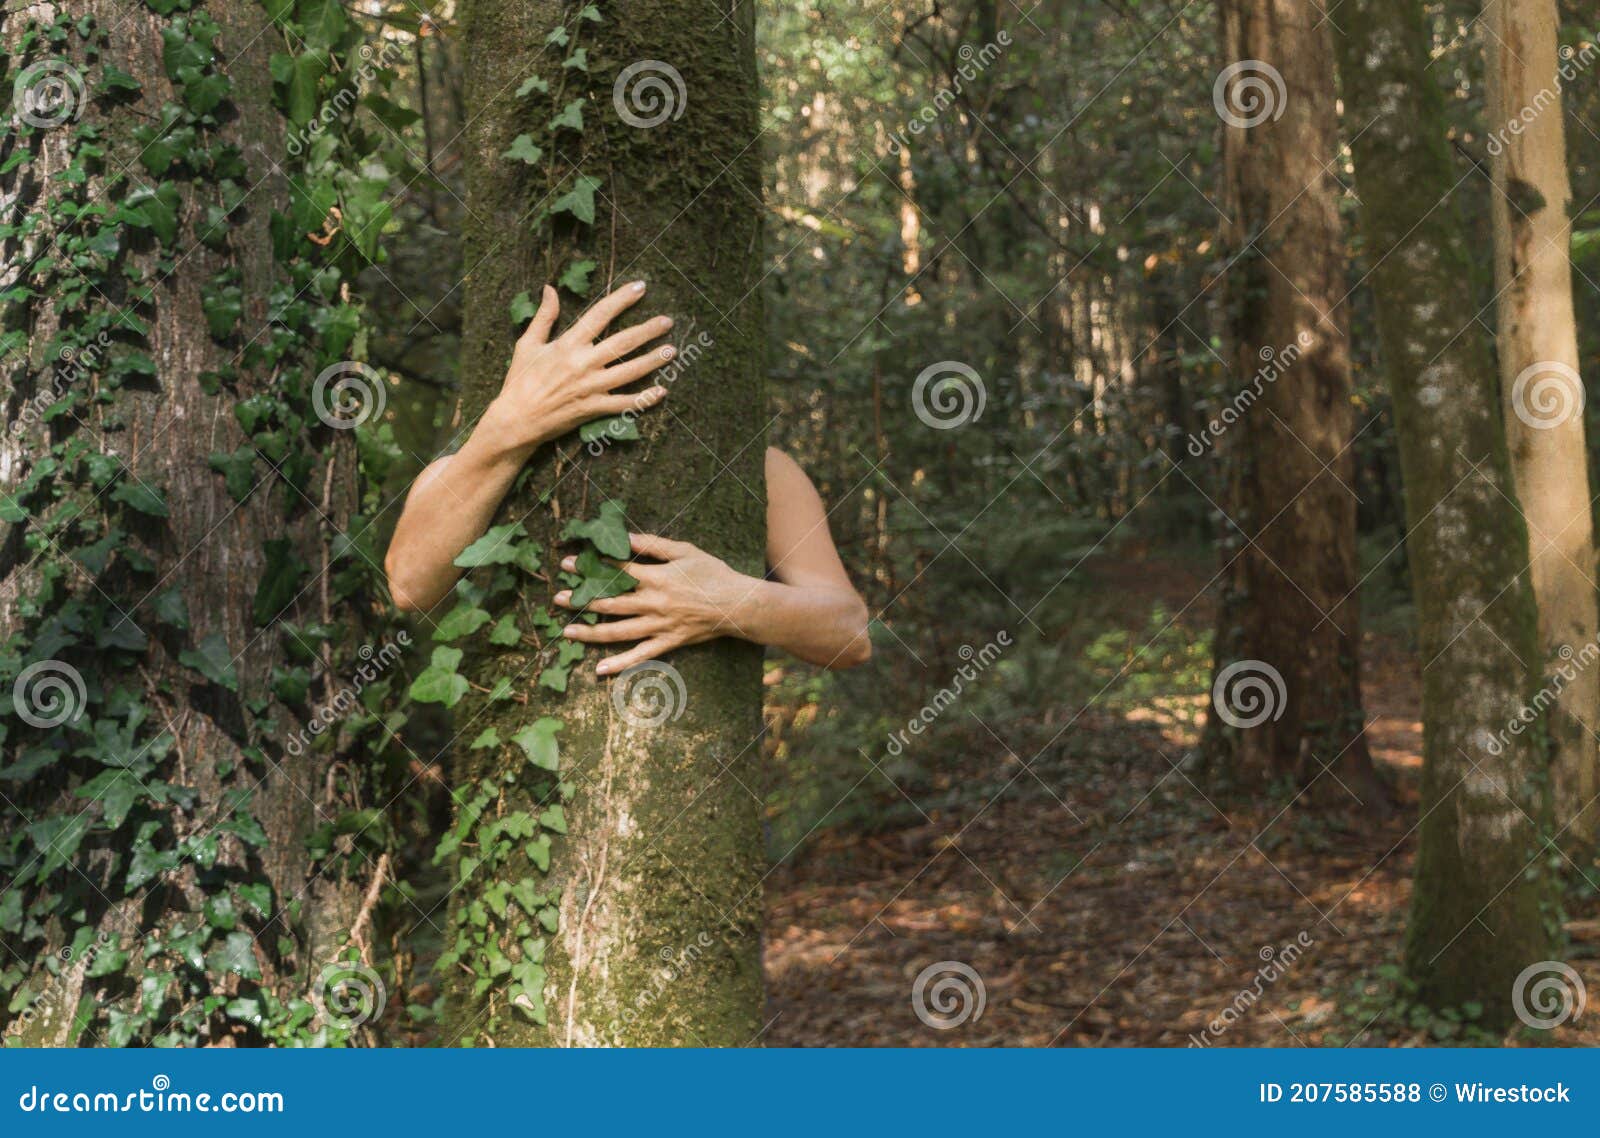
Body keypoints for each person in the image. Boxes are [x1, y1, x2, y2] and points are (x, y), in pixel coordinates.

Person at [385, 280, 871, 676]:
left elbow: (849, 632)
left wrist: (731, 603)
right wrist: (512, 424)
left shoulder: (759, 467)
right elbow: (410, 583)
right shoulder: (480, 449)